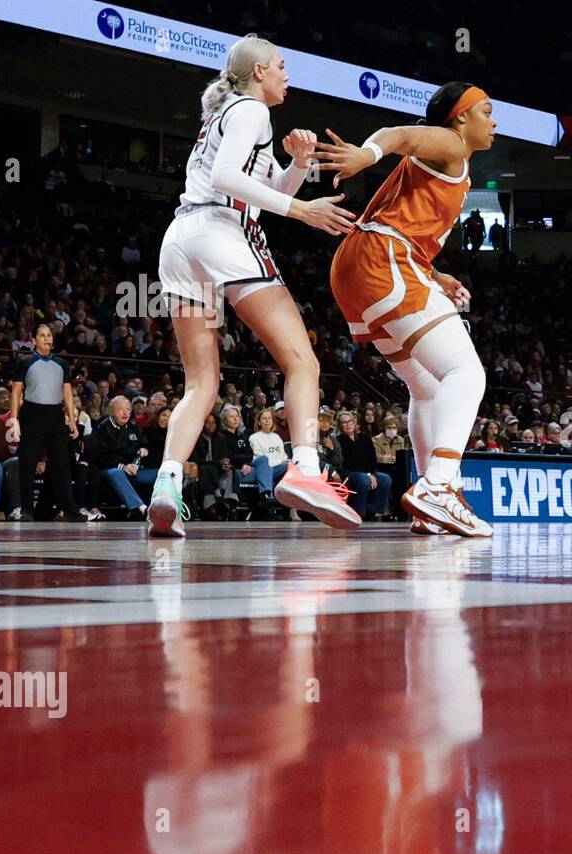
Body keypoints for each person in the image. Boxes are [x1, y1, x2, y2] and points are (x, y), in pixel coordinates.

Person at [148, 33, 360, 537]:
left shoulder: (228, 117)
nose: (289, 74)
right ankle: (306, 469)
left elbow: (260, 192)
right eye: (283, 66)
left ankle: (166, 486)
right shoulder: (251, 111)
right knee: (302, 361)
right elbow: (228, 179)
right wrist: (304, 209)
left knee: (201, 384)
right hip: (222, 232)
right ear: (260, 72)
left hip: (180, 241)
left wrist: (298, 166)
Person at [315, 80, 495, 538]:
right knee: (466, 374)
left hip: (359, 265)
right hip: (381, 259)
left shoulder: (449, 163)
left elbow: (404, 225)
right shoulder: (451, 144)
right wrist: (368, 154)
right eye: (486, 111)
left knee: (425, 385)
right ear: (460, 117)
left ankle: (428, 504)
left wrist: (434, 276)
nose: (494, 121)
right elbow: (400, 134)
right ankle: (439, 487)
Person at [10, 323, 82, 521]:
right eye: (42, 335)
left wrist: (72, 421)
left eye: (49, 335)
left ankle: (69, 510)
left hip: (55, 416)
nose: (47, 338)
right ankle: (26, 510)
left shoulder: (62, 364)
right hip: (32, 414)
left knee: (62, 464)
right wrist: (14, 418)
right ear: (34, 340)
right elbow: (16, 392)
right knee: (27, 463)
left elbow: (67, 393)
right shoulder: (25, 361)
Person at [88, 396, 152, 519]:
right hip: (109, 469)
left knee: (161, 474)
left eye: (128, 409)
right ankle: (140, 508)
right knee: (116, 473)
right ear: (112, 412)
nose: (125, 413)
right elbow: (98, 456)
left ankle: (169, 508)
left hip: (134, 469)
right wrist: (123, 466)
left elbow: (144, 443)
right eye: (121, 409)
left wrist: (144, 450)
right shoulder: (102, 428)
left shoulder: (133, 426)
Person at [338, 410, 392, 520]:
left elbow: (372, 458)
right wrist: (367, 474)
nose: (347, 424)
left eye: (349, 421)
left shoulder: (365, 438)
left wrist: (371, 473)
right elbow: (347, 462)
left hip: (367, 471)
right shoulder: (339, 440)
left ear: (354, 422)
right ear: (340, 425)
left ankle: (372, 510)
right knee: (363, 479)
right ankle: (358, 512)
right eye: (344, 423)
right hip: (349, 472)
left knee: (385, 479)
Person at [248, 407, 289, 508]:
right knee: (264, 460)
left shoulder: (276, 437)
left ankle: (294, 506)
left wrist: (286, 462)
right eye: (264, 419)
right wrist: (280, 461)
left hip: (276, 467)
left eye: (269, 418)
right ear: (259, 422)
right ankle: (266, 494)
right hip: (260, 466)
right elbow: (260, 457)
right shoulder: (254, 437)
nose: (267, 421)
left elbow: (283, 455)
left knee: (291, 465)